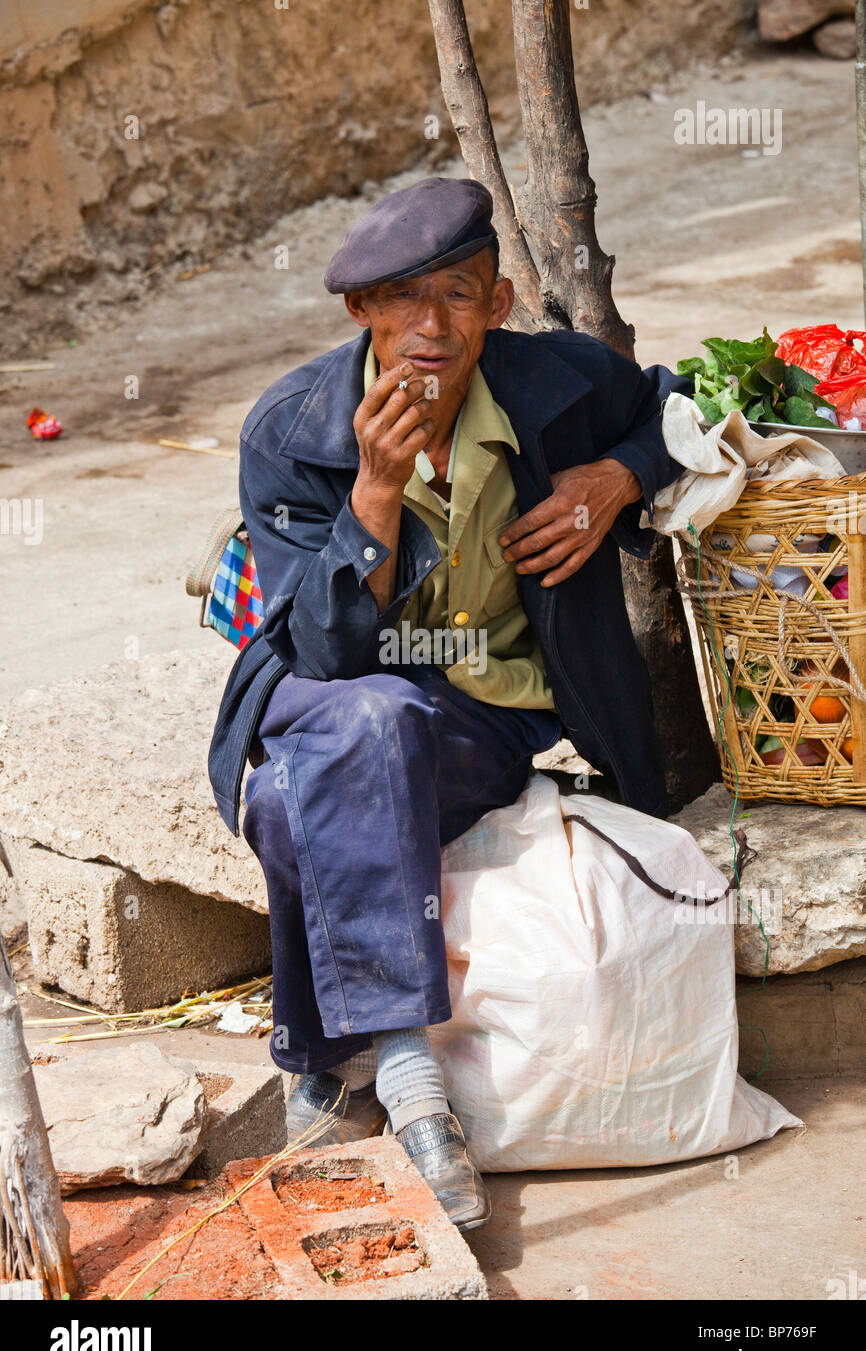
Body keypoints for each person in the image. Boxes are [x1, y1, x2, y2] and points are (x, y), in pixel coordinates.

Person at [208, 177, 687, 1230]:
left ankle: (328, 1068)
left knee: (288, 808)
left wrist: (612, 476)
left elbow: (674, 403)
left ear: (500, 303)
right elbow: (326, 653)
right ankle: (413, 1081)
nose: (430, 326)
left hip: (483, 716)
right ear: (359, 313)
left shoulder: (555, 382)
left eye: (459, 296)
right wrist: (373, 492)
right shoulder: (291, 430)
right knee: (365, 717)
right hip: (329, 692)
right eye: (402, 299)